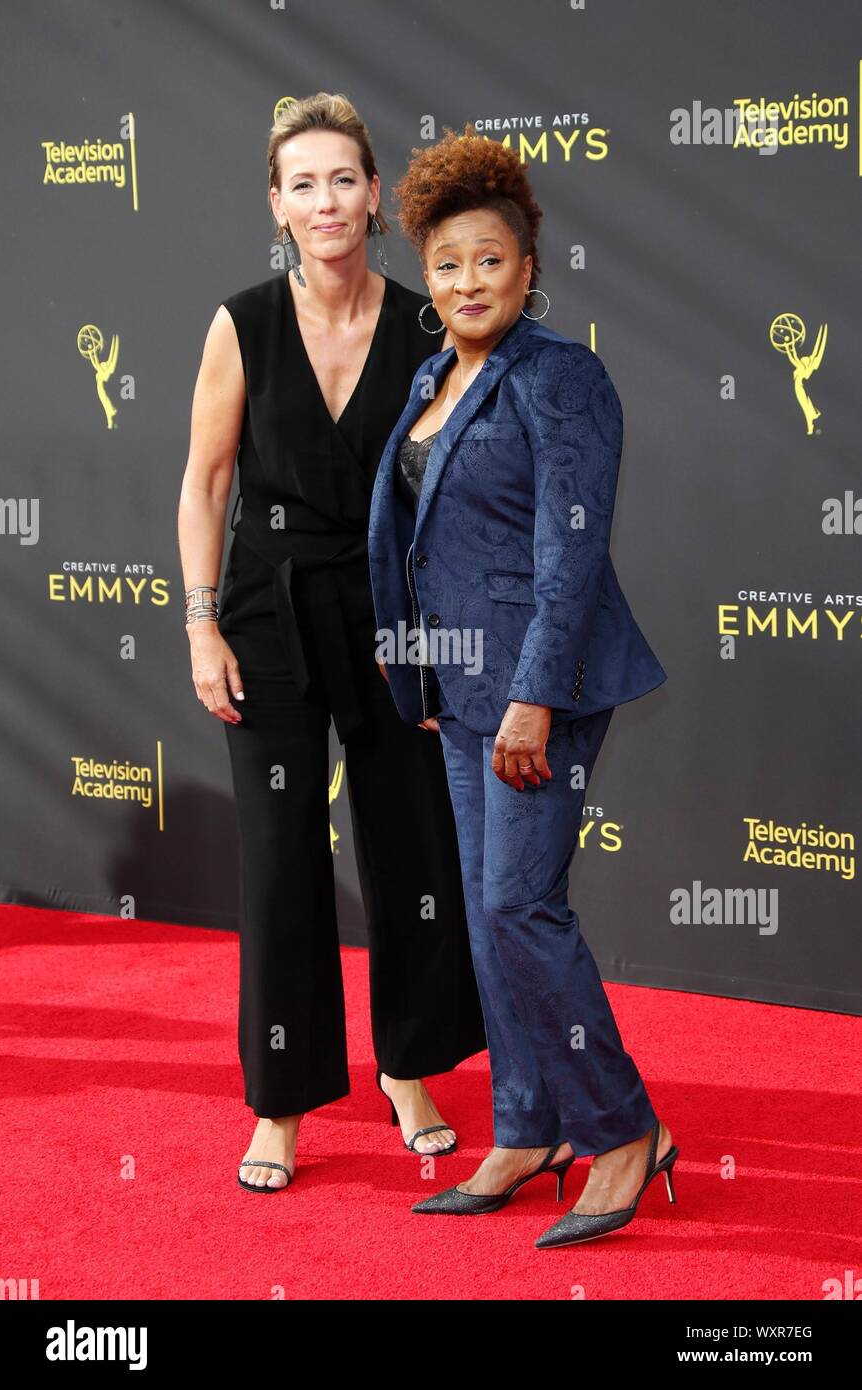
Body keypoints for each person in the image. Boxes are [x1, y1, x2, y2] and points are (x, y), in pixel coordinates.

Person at [367, 124, 678, 1247]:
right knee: (490, 920)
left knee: (517, 905)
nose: (465, 282)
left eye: (487, 259)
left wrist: (533, 697)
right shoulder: (433, 373)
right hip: (455, 686)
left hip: (537, 687)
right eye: (445, 263)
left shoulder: (561, 377)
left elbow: (569, 551)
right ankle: (526, 1121)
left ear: (529, 265)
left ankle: (621, 1125)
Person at [177, 94, 485, 1193]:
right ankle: (282, 1101)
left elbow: (452, 497)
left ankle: (407, 1067)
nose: (324, 202)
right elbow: (206, 478)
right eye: (300, 183)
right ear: (276, 201)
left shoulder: (423, 326)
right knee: (279, 863)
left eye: (342, 180)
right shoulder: (242, 323)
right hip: (266, 612)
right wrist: (201, 619)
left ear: (374, 197)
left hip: (392, 619)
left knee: (409, 850)